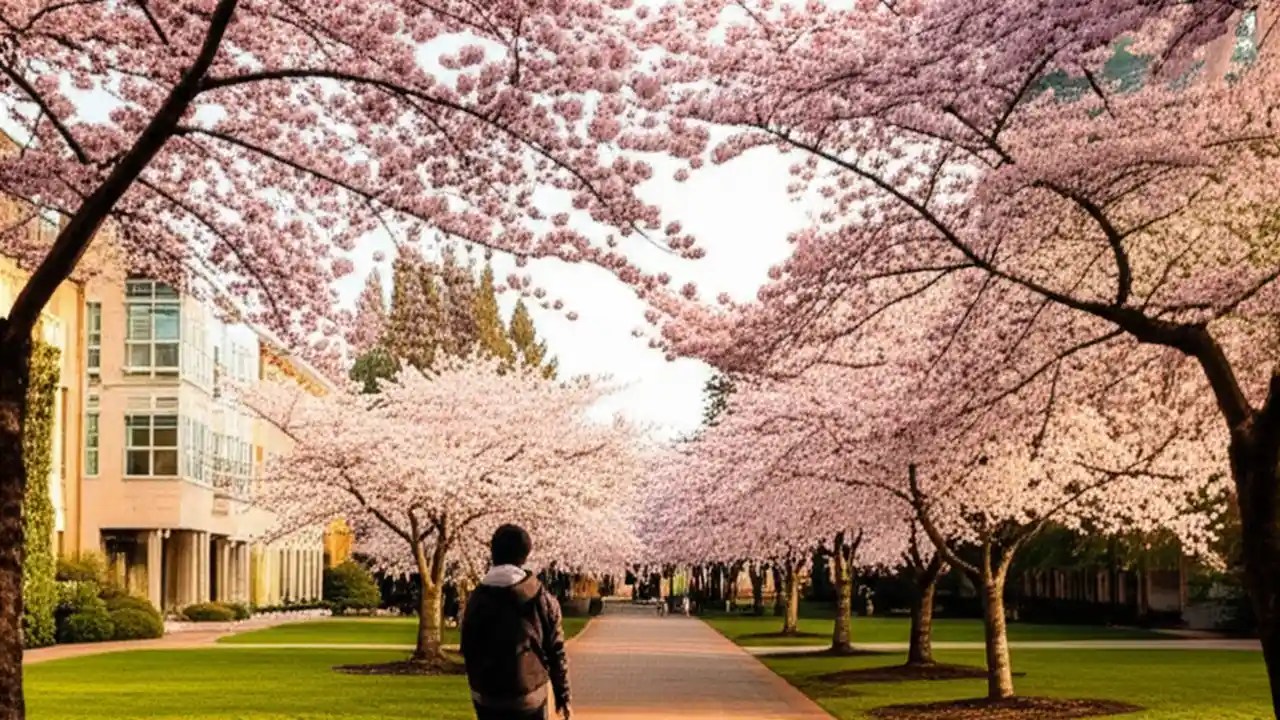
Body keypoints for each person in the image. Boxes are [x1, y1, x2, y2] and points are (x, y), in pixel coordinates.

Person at [461, 525, 571, 720]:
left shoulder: (477, 599)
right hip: (529, 692)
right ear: (525, 555)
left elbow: (468, 646)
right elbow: (556, 651)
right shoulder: (540, 597)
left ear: (493, 553)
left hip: (487, 694)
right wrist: (563, 696)